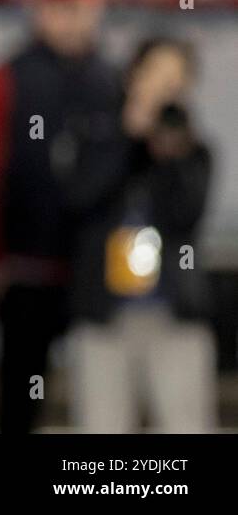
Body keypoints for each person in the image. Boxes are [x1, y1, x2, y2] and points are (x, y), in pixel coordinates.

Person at [0, 0, 126, 433]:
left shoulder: (114, 80)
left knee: (104, 406)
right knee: (19, 402)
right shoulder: (7, 78)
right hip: (27, 270)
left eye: (78, 6)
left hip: (96, 273)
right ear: (38, 9)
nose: (68, 19)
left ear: (97, 6)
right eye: (57, 6)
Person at [68, 36, 216, 432]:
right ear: (133, 76)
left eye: (175, 80)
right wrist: (125, 135)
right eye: (155, 75)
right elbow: (79, 198)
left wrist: (169, 150)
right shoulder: (97, 137)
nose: (163, 87)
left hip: (173, 316)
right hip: (105, 316)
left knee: (184, 423)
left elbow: (187, 214)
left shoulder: (193, 152)